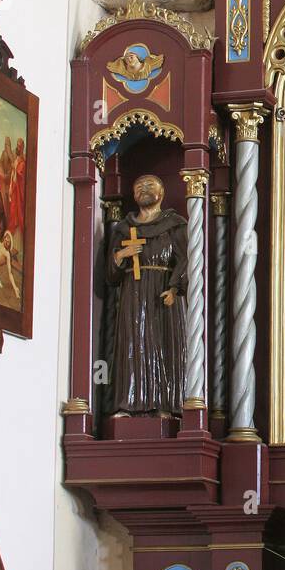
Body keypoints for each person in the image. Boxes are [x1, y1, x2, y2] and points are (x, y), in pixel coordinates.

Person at [107, 174, 187, 415]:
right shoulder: (124, 229)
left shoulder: (174, 224)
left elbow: (186, 260)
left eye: (149, 186)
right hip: (133, 293)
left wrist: (174, 288)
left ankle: (164, 405)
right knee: (132, 346)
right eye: (138, 186)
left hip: (163, 294)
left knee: (162, 348)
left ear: (161, 193)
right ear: (133, 195)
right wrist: (122, 255)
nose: (143, 190)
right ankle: (128, 404)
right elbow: (110, 276)